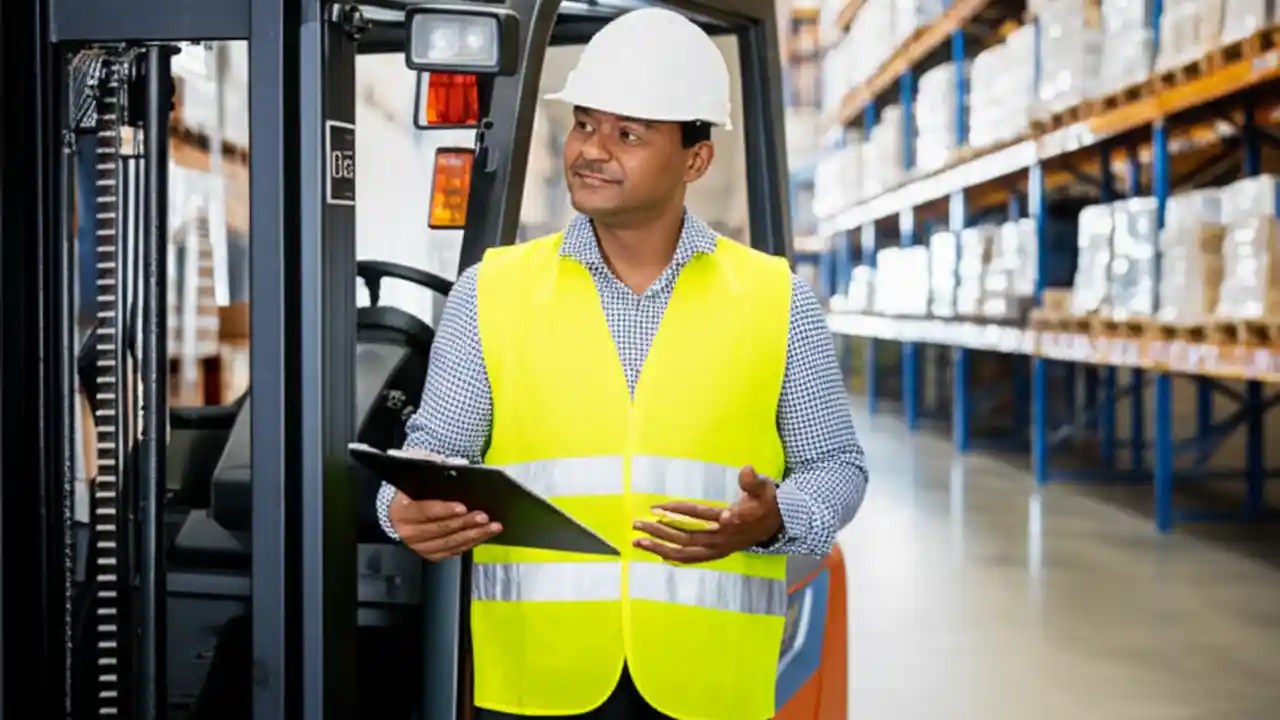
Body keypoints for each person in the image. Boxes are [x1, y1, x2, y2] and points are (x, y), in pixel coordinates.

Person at [375, 7, 868, 720]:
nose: (591, 150)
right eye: (585, 124)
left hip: (709, 686)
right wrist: (400, 510)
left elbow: (838, 466)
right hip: (537, 682)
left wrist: (773, 518)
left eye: (627, 133)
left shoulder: (776, 299)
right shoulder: (493, 290)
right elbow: (435, 450)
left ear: (695, 159)